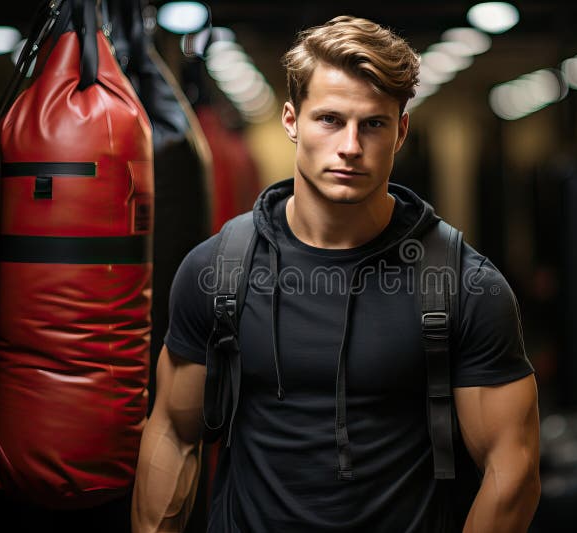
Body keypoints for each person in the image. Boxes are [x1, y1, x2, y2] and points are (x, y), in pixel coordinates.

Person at [132, 15, 540, 533]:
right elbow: (172, 431)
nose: (350, 146)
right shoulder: (217, 270)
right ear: (291, 121)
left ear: (401, 131)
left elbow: (514, 469)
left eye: (373, 123)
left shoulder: (465, 284)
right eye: (329, 119)